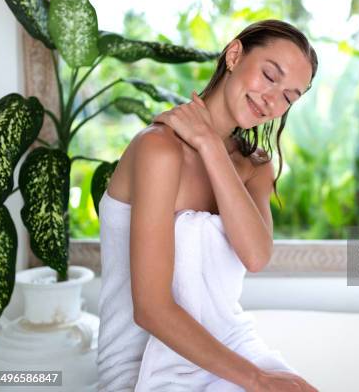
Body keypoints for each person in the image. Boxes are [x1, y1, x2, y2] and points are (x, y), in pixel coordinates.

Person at [96, 19, 319, 391]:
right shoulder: (158, 149)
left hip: (231, 344)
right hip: (146, 359)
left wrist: (211, 146)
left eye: (288, 97)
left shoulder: (255, 167)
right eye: (269, 75)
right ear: (234, 55)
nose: (272, 99)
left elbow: (256, 257)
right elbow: (150, 309)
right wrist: (258, 381)